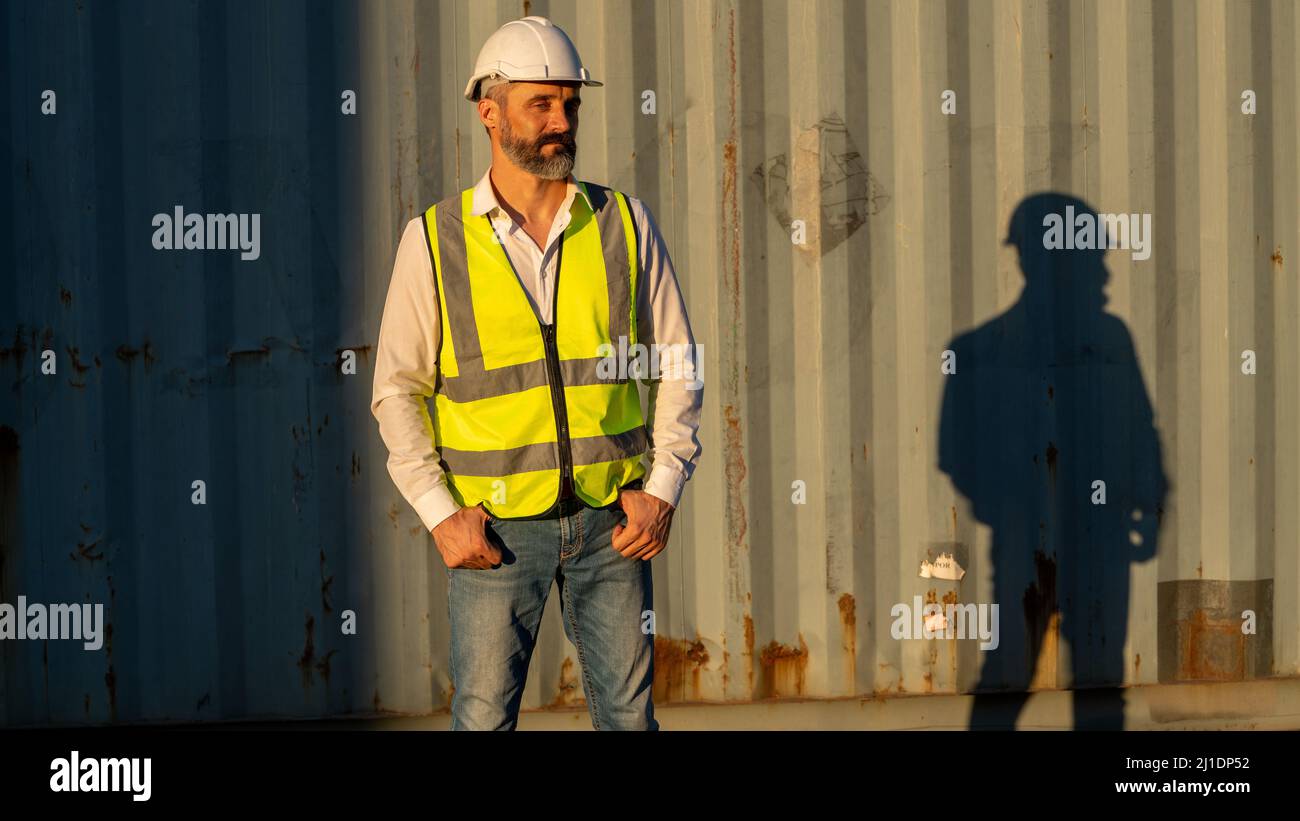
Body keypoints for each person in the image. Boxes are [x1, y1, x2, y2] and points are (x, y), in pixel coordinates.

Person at [371, 16, 703, 730]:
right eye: (541, 105)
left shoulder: (626, 223)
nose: (561, 121)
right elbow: (396, 389)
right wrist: (439, 513)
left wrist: (664, 487)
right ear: (489, 111)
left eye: (570, 105)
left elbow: (677, 360)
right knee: (484, 718)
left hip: (612, 522)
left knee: (628, 717)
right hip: (494, 533)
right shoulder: (433, 241)